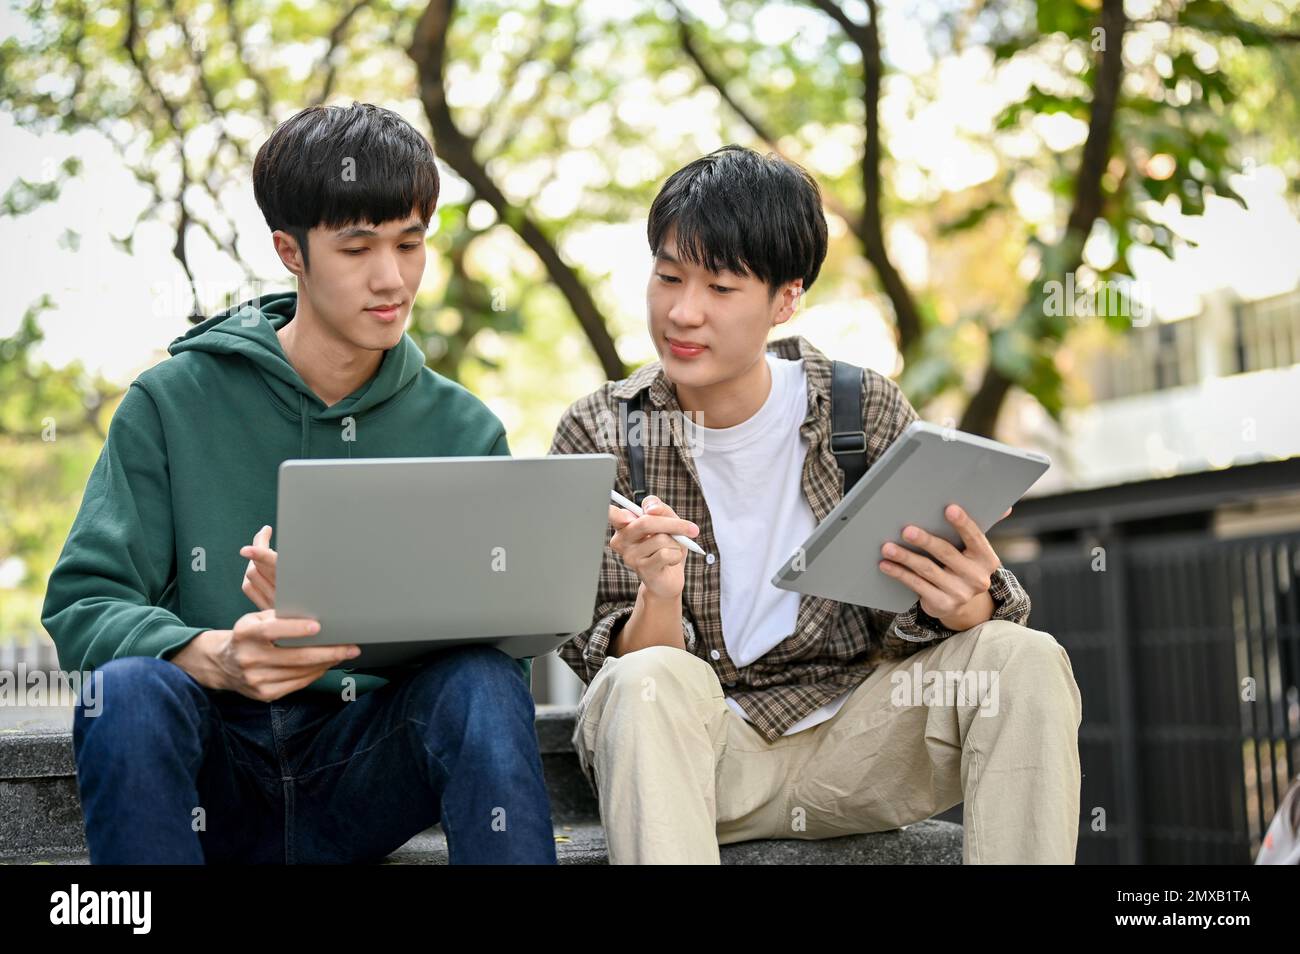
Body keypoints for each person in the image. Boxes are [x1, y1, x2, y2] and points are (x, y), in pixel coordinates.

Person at [41, 103, 556, 865]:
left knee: (481, 681)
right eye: (358, 248)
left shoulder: (463, 429)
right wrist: (212, 653)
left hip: (365, 771)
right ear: (291, 251)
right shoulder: (170, 402)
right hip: (210, 772)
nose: (392, 278)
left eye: (410, 243)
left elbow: (500, 662)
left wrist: (360, 618)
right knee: (123, 693)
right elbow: (84, 607)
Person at [549, 145, 1083, 864]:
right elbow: (615, 674)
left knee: (1022, 655)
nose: (683, 312)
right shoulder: (602, 430)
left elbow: (906, 628)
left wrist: (969, 607)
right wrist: (660, 591)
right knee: (644, 681)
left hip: (860, 748)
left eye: (720, 288)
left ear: (786, 298)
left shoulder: (859, 412)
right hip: (701, 759)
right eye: (668, 277)